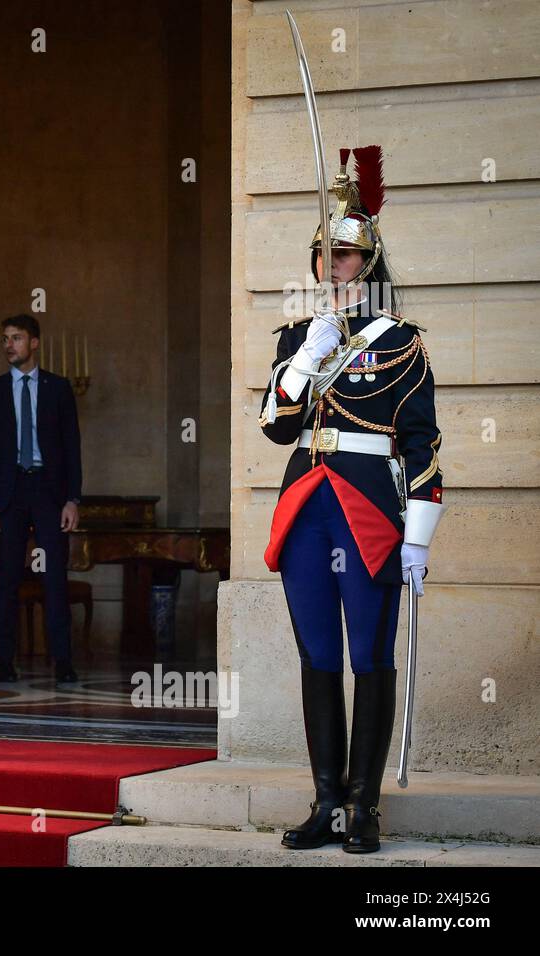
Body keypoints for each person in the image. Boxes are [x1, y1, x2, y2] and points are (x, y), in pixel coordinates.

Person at [259, 146, 443, 853]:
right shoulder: (297, 337)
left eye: (343, 255)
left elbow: (423, 445)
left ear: (367, 264)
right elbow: (277, 429)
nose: (331, 266)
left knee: (367, 653)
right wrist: (307, 358)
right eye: (323, 255)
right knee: (317, 656)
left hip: (367, 510)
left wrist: (419, 534)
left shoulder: (401, 343)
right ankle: (326, 802)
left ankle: (363, 808)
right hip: (306, 506)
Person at [0, 314, 83, 684]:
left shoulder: (58, 388)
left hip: (49, 491)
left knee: (55, 578)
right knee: (6, 579)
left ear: (34, 343)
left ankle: (63, 662)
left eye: (16, 338)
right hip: (8, 493)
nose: (9, 345)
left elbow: (72, 446)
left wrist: (73, 499)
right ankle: (4, 662)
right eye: (5, 338)